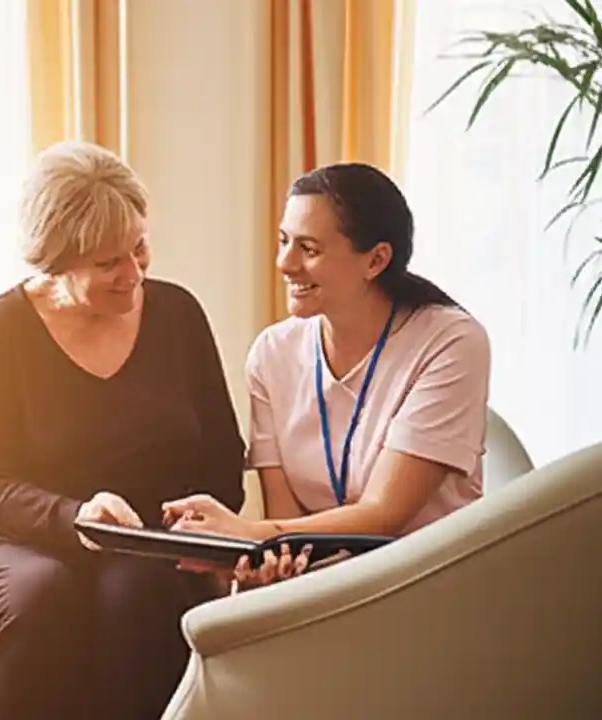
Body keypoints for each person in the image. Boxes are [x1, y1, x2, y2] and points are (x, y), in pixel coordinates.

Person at [0, 140, 245, 719]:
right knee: (44, 596)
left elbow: (222, 452)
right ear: (55, 261)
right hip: (6, 544)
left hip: (144, 546)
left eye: (139, 247)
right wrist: (78, 515)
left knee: (140, 594)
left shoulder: (178, 315)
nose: (134, 273)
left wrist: (208, 518)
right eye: (107, 262)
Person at [163, 162, 490, 589]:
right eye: (283, 241)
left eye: (309, 248)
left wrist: (247, 533)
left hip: (423, 583)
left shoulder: (451, 341)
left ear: (376, 260)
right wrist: (272, 563)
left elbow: (384, 515)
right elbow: (287, 523)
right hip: (324, 587)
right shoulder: (272, 353)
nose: (284, 263)